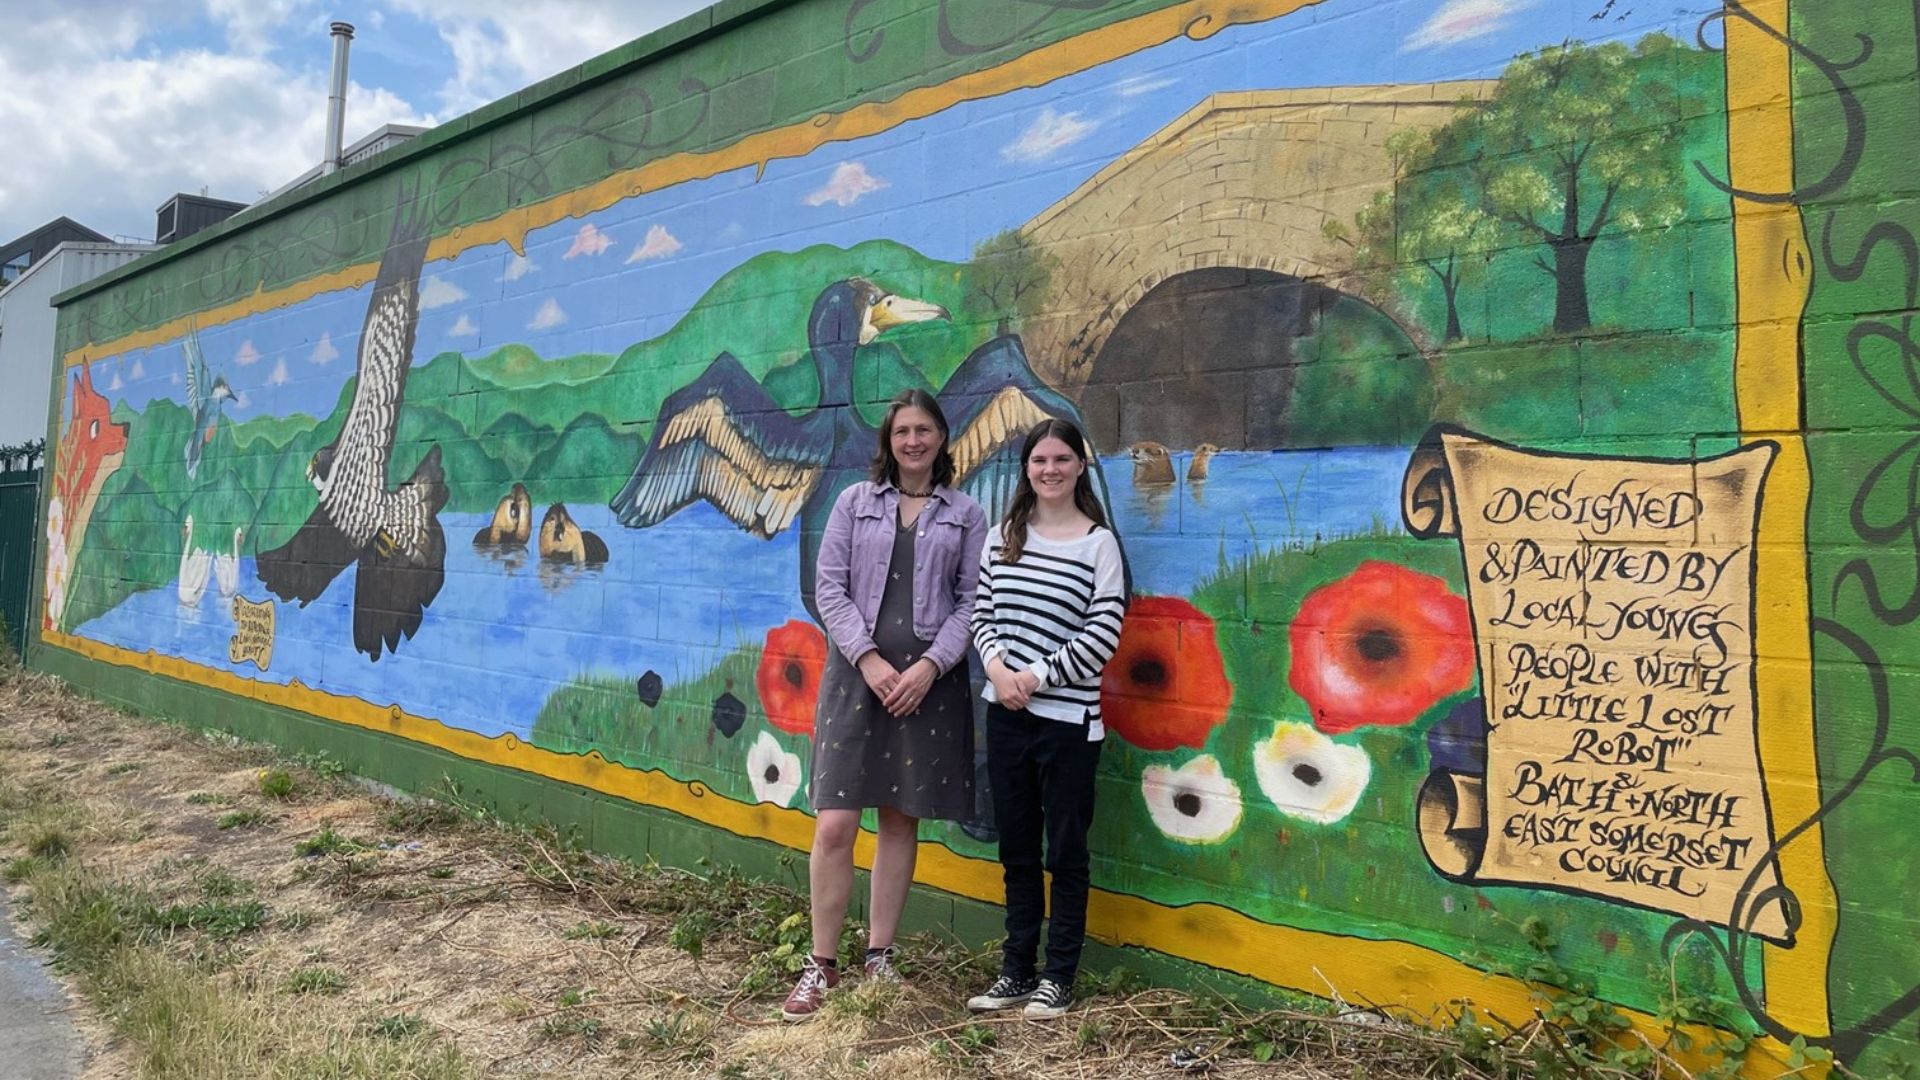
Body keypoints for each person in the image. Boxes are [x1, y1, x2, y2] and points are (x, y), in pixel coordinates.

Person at [782, 389, 988, 1022]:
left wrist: (930, 666)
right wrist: (869, 660)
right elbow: (829, 589)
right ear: (888, 440)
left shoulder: (966, 514)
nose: (913, 441)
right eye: (903, 431)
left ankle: (879, 957)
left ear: (941, 437)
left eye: (924, 430)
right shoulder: (853, 502)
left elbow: (973, 600)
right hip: (856, 682)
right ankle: (821, 964)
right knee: (835, 824)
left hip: (927, 689)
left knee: (900, 820)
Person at [966, 418, 1127, 1020]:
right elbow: (981, 613)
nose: (1050, 470)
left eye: (1062, 459)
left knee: (1065, 852)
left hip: (1068, 724)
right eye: (1040, 460)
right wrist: (997, 669)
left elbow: (1104, 632)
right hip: (1006, 717)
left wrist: (1035, 677)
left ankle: (1058, 977)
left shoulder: (1098, 544)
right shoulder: (1002, 536)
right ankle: (1016, 970)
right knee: (1017, 849)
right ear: (1026, 468)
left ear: (1080, 466)